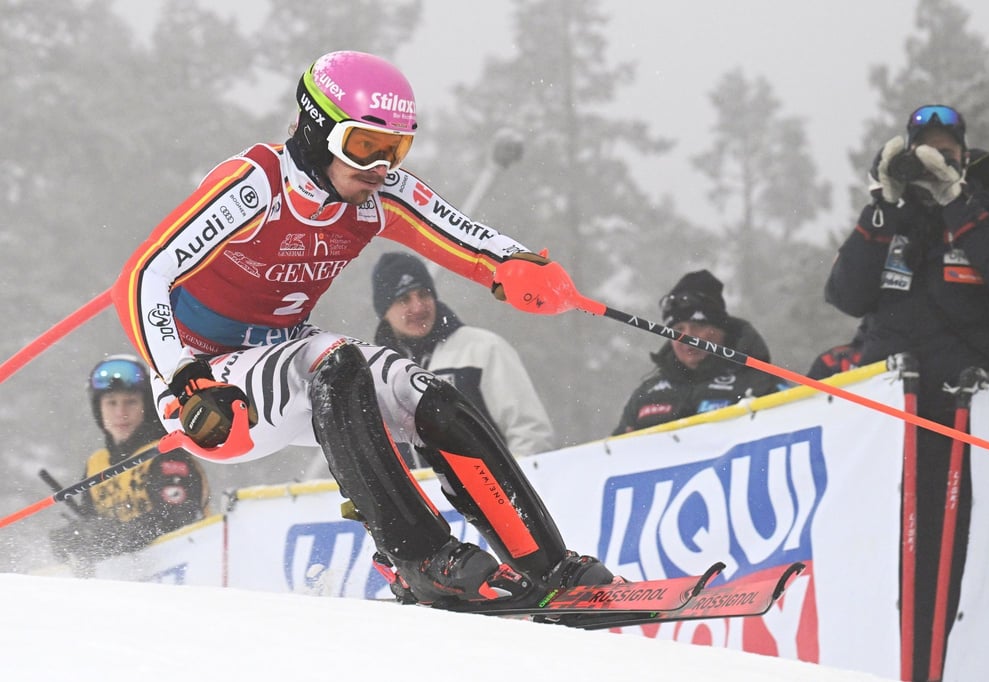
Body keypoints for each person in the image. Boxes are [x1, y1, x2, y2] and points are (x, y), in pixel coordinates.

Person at [111, 51, 613, 606]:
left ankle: (545, 564)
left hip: (284, 348)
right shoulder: (254, 186)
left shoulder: (378, 194)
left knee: (421, 391)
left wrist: (517, 265)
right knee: (337, 365)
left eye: (395, 150)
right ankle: (420, 556)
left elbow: (462, 233)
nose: (379, 166)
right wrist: (185, 377)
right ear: (317, 129)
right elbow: (143, 276)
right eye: (365, 146)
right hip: (211, 389)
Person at [824, 104, 989, 680]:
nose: (936, 164)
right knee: (892, 568)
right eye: (926, 153)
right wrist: (882, 205)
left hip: (973, 426)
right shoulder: (892, 222)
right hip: (894, 431)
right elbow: (845, 295)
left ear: (965, 156)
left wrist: (958, 202)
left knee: (966, 570)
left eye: (948, 153)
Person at [371, 251, 554, 466]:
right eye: (403, 299)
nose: (418, 307)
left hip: (491, 497)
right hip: (419, 499)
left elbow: (530, 434)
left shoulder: (483, 349)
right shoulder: (372, 375)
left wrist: (511, 493)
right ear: (384, 311)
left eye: (423, 294)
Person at [49, 355, 209, 575]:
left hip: (186, 572)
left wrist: (116, 536)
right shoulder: (96, 464)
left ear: (147, 406)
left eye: (131, 402)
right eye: (111, 402)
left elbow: (178, 519)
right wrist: (76, 539)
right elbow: (91, 522)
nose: (120, 413)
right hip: (127, 584)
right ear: (98, 409)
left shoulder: (165, 454)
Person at [612, 270, 784, 435]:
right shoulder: (646, 394)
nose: (688, 337)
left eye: (698, 326)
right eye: (678, 329)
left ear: (721, 329)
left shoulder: (759, 382)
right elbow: (612, 455)